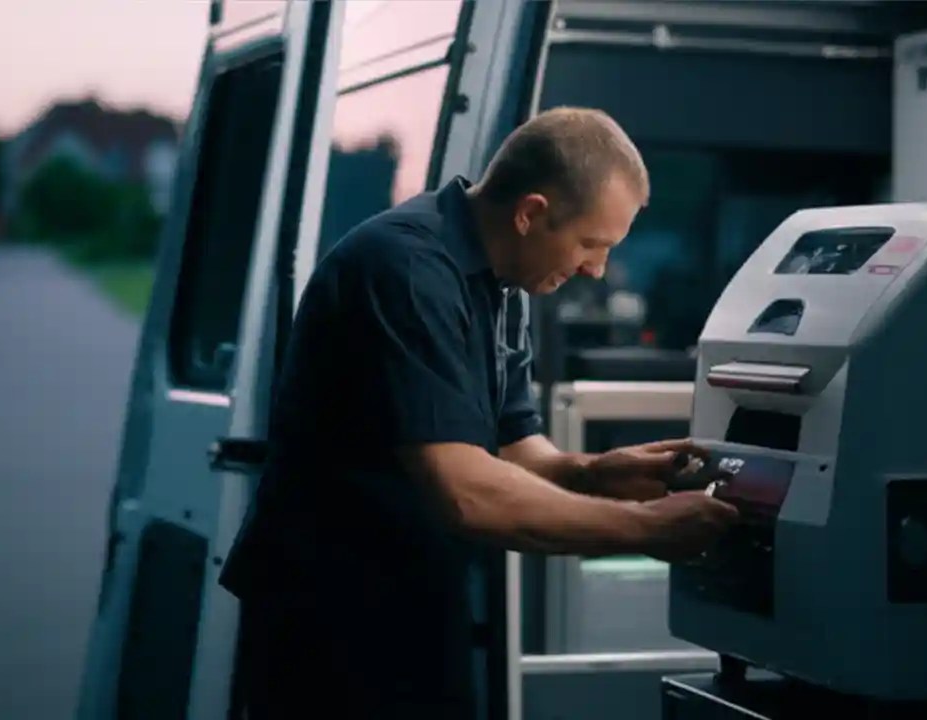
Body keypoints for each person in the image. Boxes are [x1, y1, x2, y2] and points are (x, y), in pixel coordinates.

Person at [219, 106, 739, 718]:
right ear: (532, 213)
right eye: (591, 244)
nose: (597, 269)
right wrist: (649, 529)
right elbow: (467, 491)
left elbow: (510, 445)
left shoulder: (504, 284)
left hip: (416, 599)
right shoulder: (406, 268)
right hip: (330, 613)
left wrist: (594, 471)